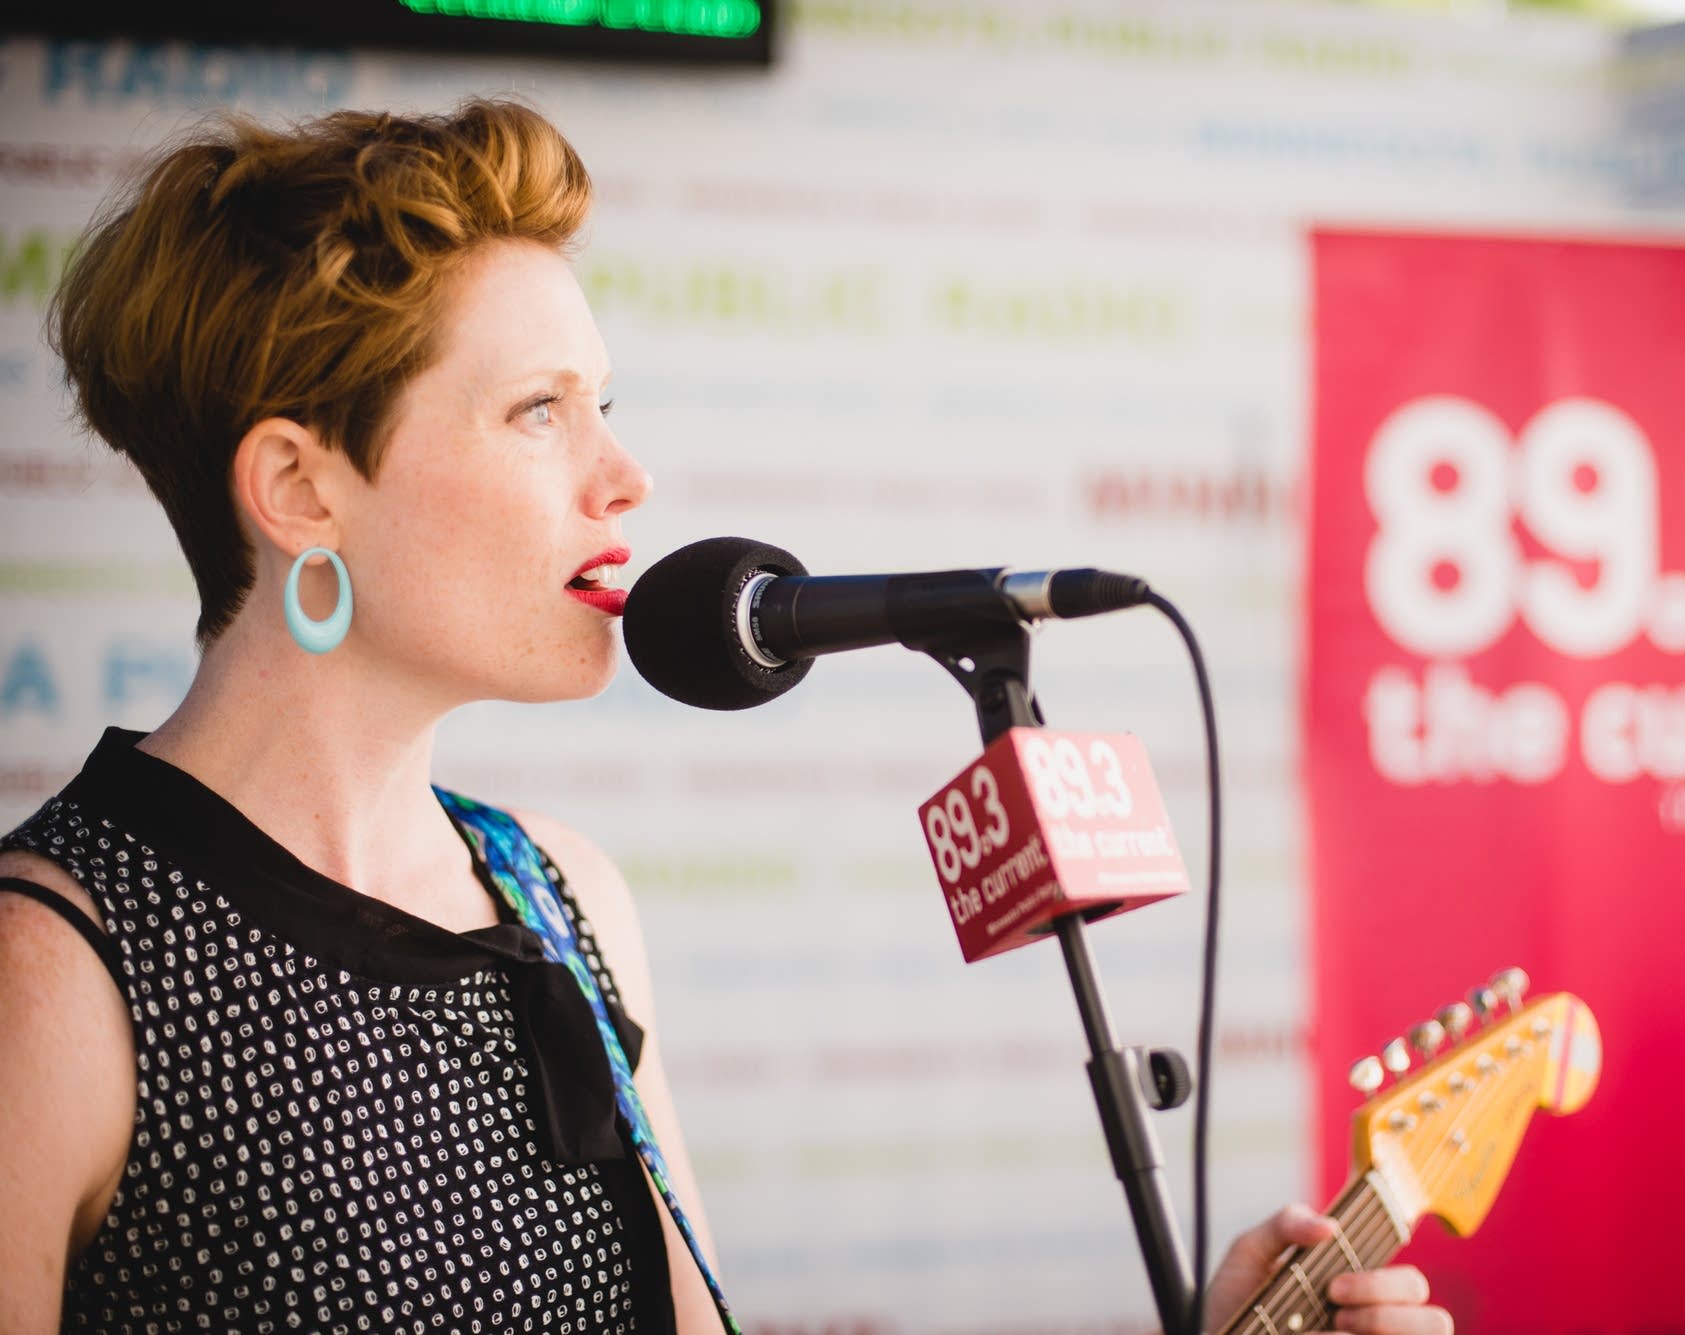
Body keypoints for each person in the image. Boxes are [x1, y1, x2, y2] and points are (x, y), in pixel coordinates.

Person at [0, 101, 1453, 1335]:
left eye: (607, 403)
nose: (626, 476)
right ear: (303, 491)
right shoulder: (50, 975)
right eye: (539, 413)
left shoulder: (563, 897)